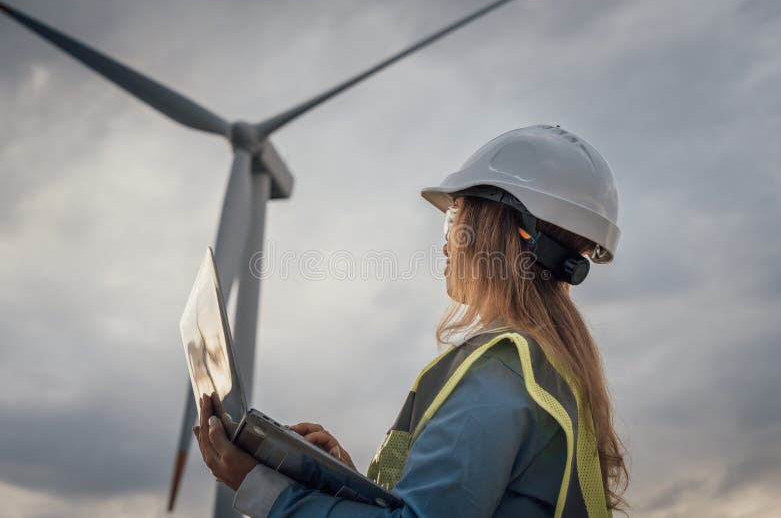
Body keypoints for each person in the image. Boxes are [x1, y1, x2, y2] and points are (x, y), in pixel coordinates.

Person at [195, 125, 628, 517]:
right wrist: (340, 481)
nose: (445, 247)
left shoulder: (500, 377)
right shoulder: (547, 370)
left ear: (501, 231)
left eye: (455, 221)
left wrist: (264, 492)